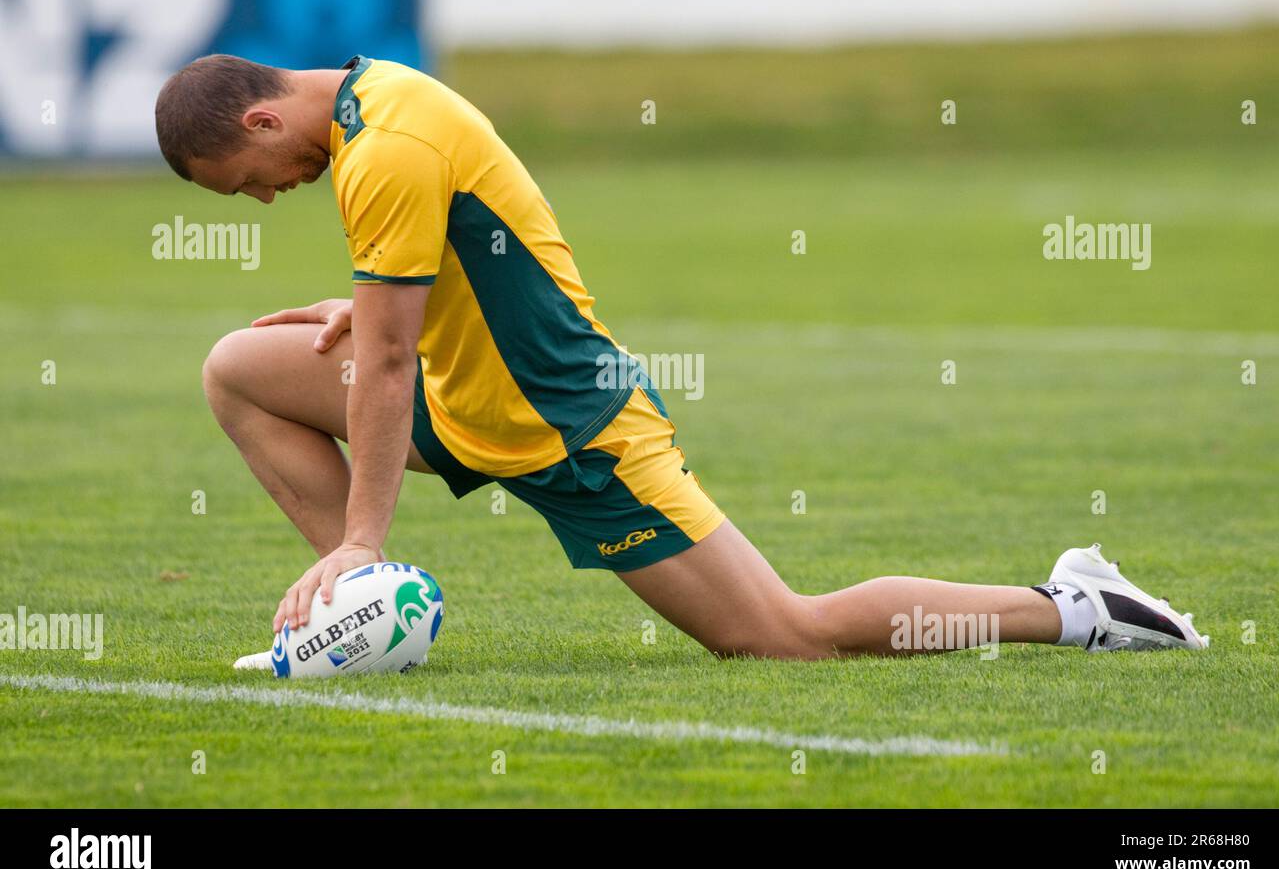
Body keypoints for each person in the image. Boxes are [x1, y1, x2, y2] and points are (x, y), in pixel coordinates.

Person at [153, 54, 1209, 666]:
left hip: (572, 426)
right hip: (467, 399)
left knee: (784, 639)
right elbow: (452, 272)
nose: (261, 197)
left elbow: (382, 369)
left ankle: (1073, 603)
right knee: (237, 366)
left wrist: (359, 531)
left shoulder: (384, 147)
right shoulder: (370, 107)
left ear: (258, 115)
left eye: (244, 177)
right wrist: (372, 299)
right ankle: (359, 618)